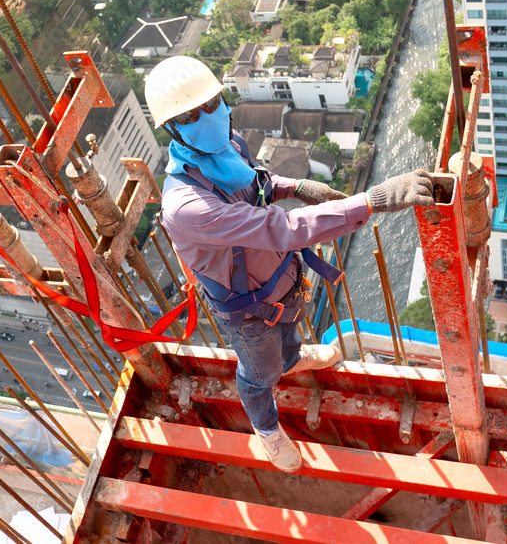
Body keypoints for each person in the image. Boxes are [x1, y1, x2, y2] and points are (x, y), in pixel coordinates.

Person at [145, 56, 434, 473]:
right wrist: (369, 201)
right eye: (190, 115)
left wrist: (295, 185)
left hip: (282, 281)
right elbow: (279, 228)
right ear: (172, 129)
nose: (207, 117)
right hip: (247, 310)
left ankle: (294, 359)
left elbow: (259, 183)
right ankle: (267, 431)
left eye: (211, 104)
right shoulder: (187, 206)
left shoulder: (229, 145)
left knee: (288, 340)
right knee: (260, 374)